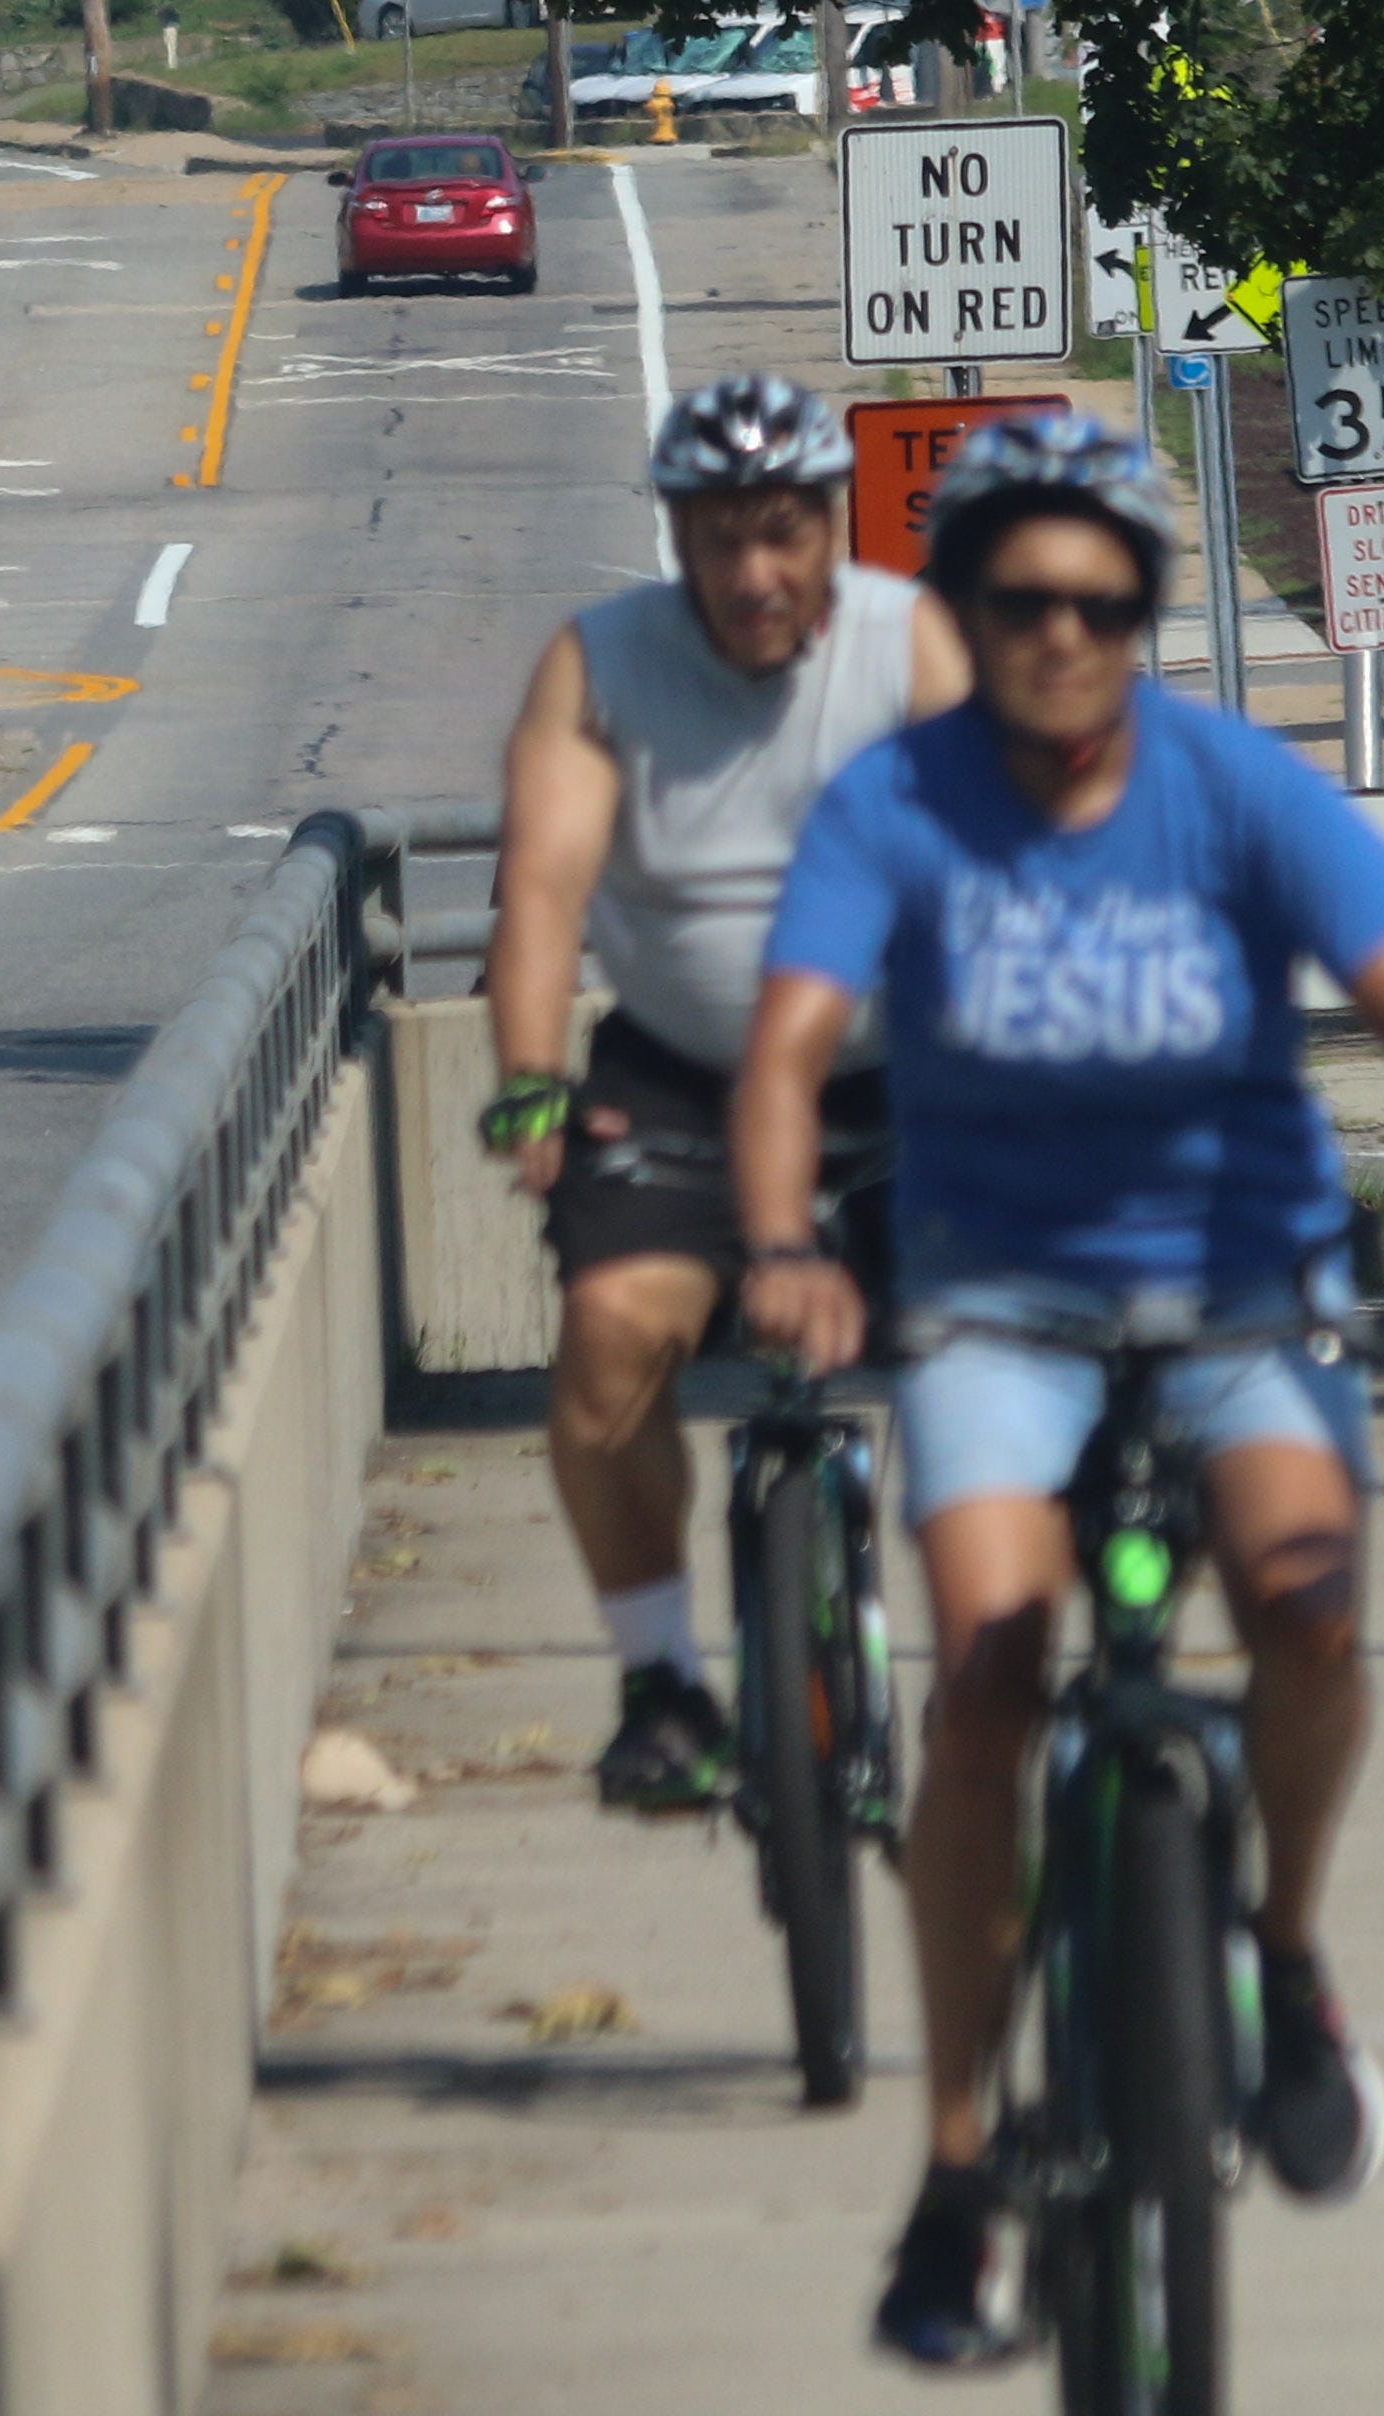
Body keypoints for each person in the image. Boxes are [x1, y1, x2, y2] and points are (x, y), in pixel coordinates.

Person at [720, 414, 1384, 2366]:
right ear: (970, 612)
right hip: (991, 1309)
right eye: (1019, 601)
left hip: (1244, 1295)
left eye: (1101, 606)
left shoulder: (1229, 789)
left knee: (1306, 1607)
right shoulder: (897, 806)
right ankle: (954, 2167)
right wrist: (783, 1249)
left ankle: (1284, 1958)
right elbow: (785, 1057)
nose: (1061, 639)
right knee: (995, 1669)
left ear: (1140, 620)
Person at [479, 374, 969, 1810]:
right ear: (675, 539)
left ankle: (1006, 1668)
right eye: (715, 539)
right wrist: (528, 1086)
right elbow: (544, 888)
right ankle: (660, 1684)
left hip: (899, 1083)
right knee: (612, 1342)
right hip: (682, 1075)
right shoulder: (602, 661)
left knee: (1011, 1350)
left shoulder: (908, 644)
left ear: (831, 523)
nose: (752, 575)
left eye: (780, 534)